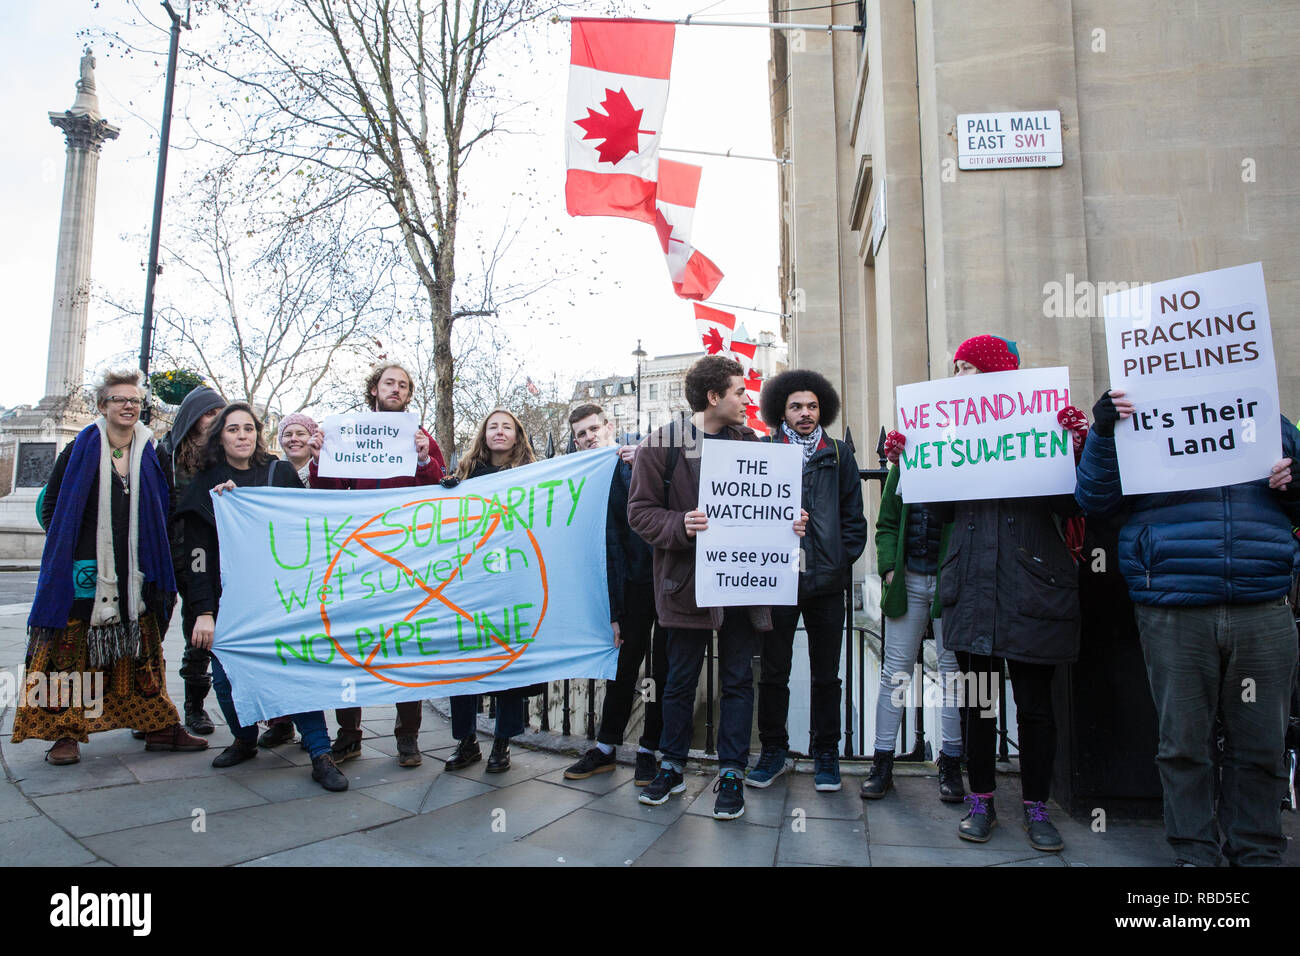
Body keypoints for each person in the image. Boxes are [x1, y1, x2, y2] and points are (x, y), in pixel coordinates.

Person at [1076, 389, 1300, 866]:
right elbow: (1093, 498)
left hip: (1260, 601)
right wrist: (1101, 432)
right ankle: (1194, 854)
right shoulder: (1136, 424)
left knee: (1261, 744)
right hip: (1174, 603)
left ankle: (1257, 852)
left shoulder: (1270, 423)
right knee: (1182, 744)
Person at [899, 335, 1086, 851]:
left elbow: (1075, 502)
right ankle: (981, 801)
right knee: (978, 705)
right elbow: (940, 513)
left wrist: (1074, 447)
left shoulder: (1042, 423)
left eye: (966, 367)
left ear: (995, 375)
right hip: (974, 584)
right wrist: (909, 462)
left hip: (1031, 584)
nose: (957, 376)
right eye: (955, 367)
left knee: (1034, 705)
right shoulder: (953, 432)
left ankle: (1036, 807)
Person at [627, 355, 807, 820]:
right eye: (739, 392)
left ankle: (731, 772)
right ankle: (672, 765)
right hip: (686, 584)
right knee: (679, 681)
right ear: (713, 398)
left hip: (742, 586)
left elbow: (770, 506)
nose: (748, 400)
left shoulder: (751, 442)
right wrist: (680, 524)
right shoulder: (660, 446)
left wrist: (792, 524)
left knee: (737, 680)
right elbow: (640, 513)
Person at [13, 369, 207, 763]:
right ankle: (65, 732)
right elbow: (53, 507)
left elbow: (166, 505)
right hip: (85, 570)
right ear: (103, 406)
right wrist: (70, 549)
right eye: (119, 399)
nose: (128, 406)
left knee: (144, 649)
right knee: (71, 651)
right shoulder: (80, 449)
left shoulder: (150, 452)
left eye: (134, 400)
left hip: (138, 569)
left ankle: (156, 724)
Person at [178, 403, 348, 792]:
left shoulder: (279, 472)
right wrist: (204, 611)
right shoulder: (205, 483)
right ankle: (243, 738)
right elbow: (197, 556)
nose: (242, 435)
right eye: (233, 429)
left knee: (296, 674)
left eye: (249, 428)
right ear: (220, 436)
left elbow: (307, 529)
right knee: (225, 677)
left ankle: (320, 753)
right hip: (228, 602)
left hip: (281, 599)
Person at [308, 362, 446, 768]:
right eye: (390, 383)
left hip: (406, 557)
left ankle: (408, 737)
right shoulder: (346, 434)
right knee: (349, 644)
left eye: (404, 385)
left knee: (405, 647)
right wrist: (319, 460)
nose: (396, 389)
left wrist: (424, 460)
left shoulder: (423, 438)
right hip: (357, 557)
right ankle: (349, 735)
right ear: (374, 389)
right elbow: (328, 493)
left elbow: (438, 494)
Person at [747, 370, 866, 793]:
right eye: (796, 406)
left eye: (812, 406)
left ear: (823, 409)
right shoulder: (763, 451)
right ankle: (774, 749)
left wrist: (839, 558)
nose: (805, 413)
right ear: (782, 409)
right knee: (774, 671)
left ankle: (826, 752)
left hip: (827, 582)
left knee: (826, 674)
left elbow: (854, 518)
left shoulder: (838, 453)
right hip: (777, 581)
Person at [562, 403, 667, 787]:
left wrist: (644, 460)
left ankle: (648, 751)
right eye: (581, 435)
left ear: (610, 428)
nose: (589, 438)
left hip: (663, 580)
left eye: (593, 430)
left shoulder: (640, 456)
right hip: (626, 588)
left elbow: (680, 488)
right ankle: (606, 747)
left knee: (662, 672)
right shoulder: (581, 477)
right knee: (622, 669)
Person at [865, 430, 963, 803]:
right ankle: (882, 761)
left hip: (950, 583)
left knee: (954, 676)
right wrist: (890, 569)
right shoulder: (904, 460)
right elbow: (887, 522)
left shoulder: (972, 462)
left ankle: (951, 762)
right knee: (895, 673)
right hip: (909, 580)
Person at [443, 408, 538, 774]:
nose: (499, 432)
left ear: (517, 435)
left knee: (508, 665)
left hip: (512, 584)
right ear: (483, 434)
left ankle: (502, 742)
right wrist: (446, 490)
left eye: (507, 427)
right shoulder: (464, 474)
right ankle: (466, 741)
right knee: (462, 663)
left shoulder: (532, 474)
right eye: (493, 426)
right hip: (470, 585)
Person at [156, 384, 226, 735]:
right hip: (164, 555)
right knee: (151, 634)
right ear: (193, 415)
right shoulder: (163, 452)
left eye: (219, 414)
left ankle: (195, 707)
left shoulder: (221, 457)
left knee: (199, 633)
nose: (214, 420)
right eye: (209, 413)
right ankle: (150, 706)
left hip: (205, 557)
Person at [255, 411, 319, 749]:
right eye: (287, 434)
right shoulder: (269, 474)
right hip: (277, 572)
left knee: (307, 654)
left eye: (300, 433)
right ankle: (280, 722)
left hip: (313, 574)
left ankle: (313, 728)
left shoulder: (325, 472)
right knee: (278, 653)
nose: (294, 439)